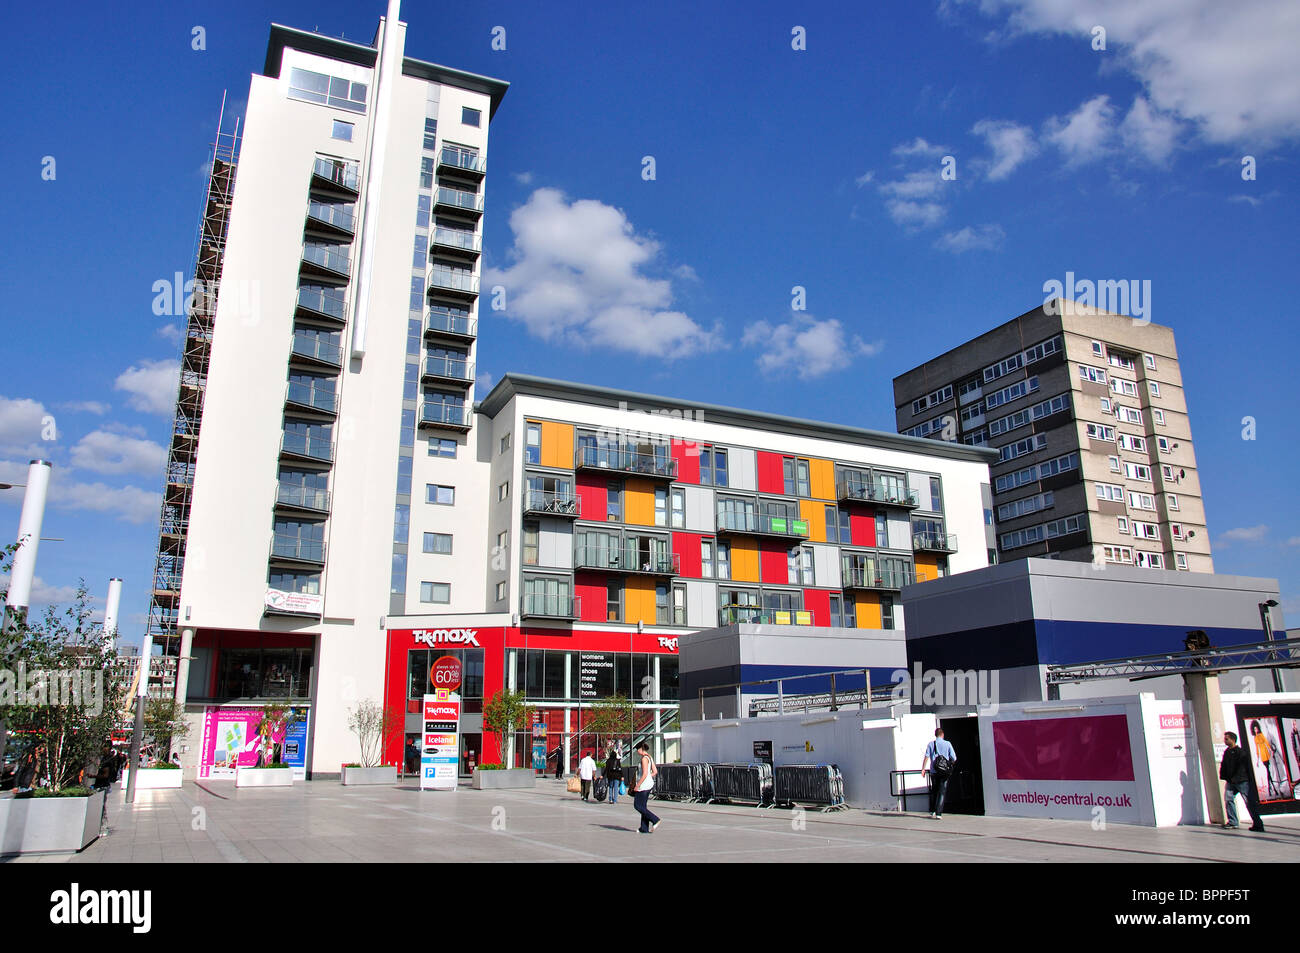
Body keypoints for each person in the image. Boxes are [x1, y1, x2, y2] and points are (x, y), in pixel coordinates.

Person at [1221, 731, 1265, 832]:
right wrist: (1225, 776)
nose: (1225, 741)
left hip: (1241, 781)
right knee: (1228, 799)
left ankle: (1258, 824)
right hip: (1231, 781)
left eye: (1227, 739)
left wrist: (1240, 778)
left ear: (1232, 739)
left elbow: (1243, 767)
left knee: (1249, 802)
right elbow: (1224, 765)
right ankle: (1233, 821)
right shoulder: (1227, 752)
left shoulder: (1240, 752)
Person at [921, 728, 957, 819]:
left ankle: (933, 811)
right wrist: (949, 764)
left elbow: (926, 756)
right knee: (942, 792)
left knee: (934, 791)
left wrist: (923, 769)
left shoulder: (931, 744)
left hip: (934, 771)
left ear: (935, 735)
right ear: (942, 734)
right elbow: (954, 757)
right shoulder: (947, 744)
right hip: (944, 772)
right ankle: (939, 813)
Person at [632, 741, 660, 833]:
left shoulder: (644, 759)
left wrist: (637, 785)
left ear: (641, 749)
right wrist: (648, 777)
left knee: (637, 805)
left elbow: (644, 774)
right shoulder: (650, 757)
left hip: (643, 785)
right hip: (649, 784)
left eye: (637, 749)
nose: (637, 751)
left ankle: (655, 819)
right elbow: (655, 771)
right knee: (643, 806)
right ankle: (644, 828)